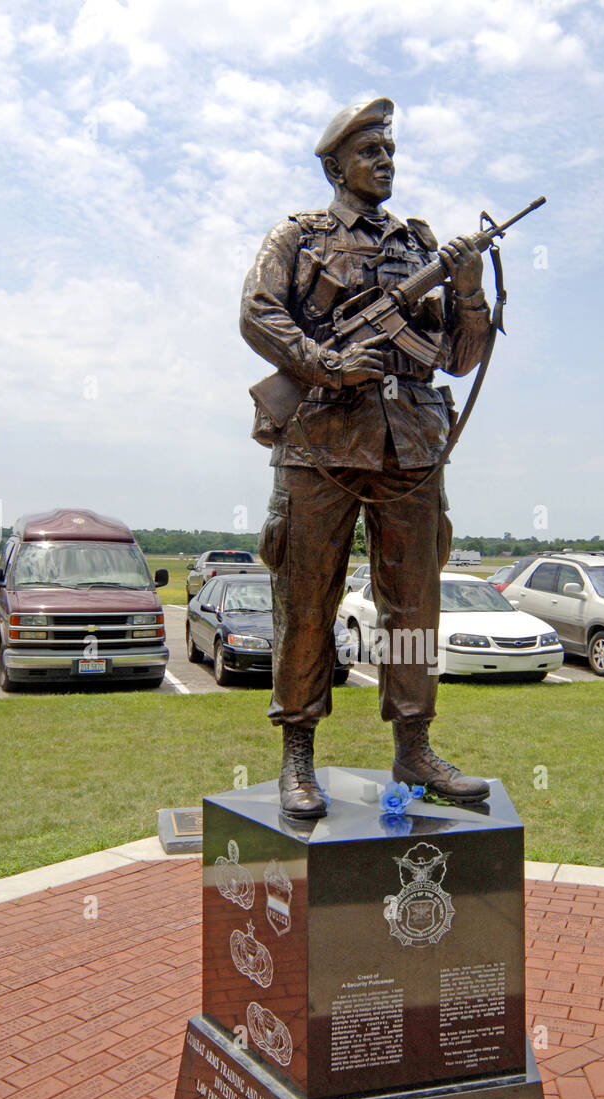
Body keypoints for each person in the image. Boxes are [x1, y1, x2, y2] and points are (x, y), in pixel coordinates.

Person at [241, 97, 491, 818]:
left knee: (413, 606)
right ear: (335, 164)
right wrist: (325, 361)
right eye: (370, 152)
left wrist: (468, 295)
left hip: (410, 446)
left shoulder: (420, 245)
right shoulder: (298, 235)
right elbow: (257, 311)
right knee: (307, 600)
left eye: (390, 152)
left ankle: (414, 748)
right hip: (319, 442)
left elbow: (458, 358)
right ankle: (297, 754)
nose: (386, 163)